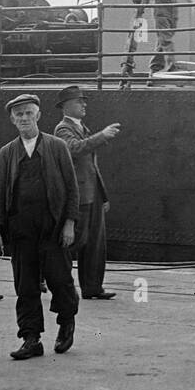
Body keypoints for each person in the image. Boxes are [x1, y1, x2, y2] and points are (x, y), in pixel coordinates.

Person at [0, 94, 79, 360]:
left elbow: (72, 188)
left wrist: (69, 224)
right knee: (25, 286)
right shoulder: (7, 152)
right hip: (21, 230)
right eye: (19, 115)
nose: (24, 118)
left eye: (29, 113)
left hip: (52, 227)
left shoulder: (57, 147)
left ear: (38, 116)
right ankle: (31, 338)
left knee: (60, 280)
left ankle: (66, 322)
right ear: (12, 119)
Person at [53, 85, 119, 300]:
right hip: (80, 196)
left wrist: (103, 195)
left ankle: (93, 288)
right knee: (74, 241)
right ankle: (47, 276)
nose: (84, 104)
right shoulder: (62, 129)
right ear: (66, 107)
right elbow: (74, 149)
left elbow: (91, 167)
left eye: (84, 100)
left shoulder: (82, 128)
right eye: (79, 101)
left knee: (95, 245)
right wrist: (102, 135)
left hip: (92, 195)